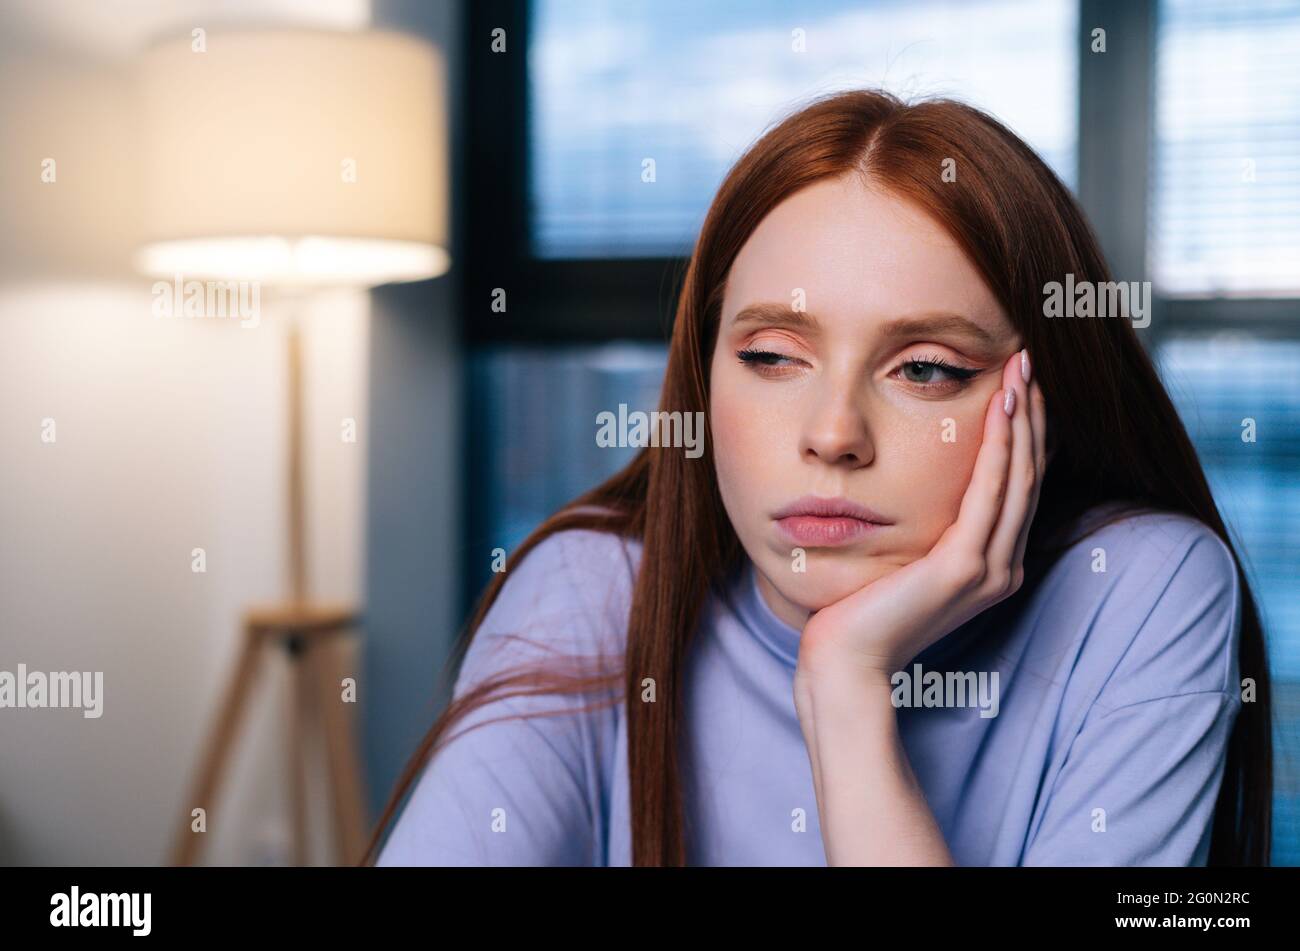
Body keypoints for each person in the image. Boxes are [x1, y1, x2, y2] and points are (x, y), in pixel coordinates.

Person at [367, 89, 1271, 866]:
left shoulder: (1142, 592)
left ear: (1041, 397)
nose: (834, 435)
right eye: (771, 356)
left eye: (924, 370)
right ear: (702, 372)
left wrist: (846, 688)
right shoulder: (592, 584)